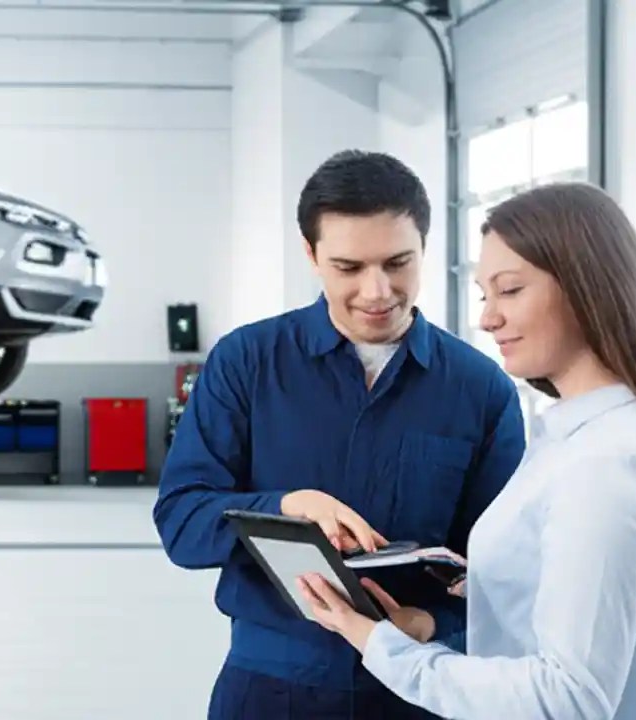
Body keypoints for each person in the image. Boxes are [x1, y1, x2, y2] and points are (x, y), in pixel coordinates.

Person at [296, 181, 636, 720]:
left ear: (586, 286)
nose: (487, 317)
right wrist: (478, 583)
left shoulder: (607, 462)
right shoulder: (581, 437)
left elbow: (566, 697)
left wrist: (379, 644)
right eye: (484, 294)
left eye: (510, 290)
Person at [153, 149, 528, 719]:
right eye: (349, 268)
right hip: (269, 687)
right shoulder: (246, 363)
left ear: (424, 248)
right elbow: (182, 521)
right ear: (311, 254)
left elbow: (505, 567)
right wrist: (285, 507)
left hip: (420, 687)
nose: (377, 292)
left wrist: (432, 624)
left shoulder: (481, 390)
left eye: (398, 263)